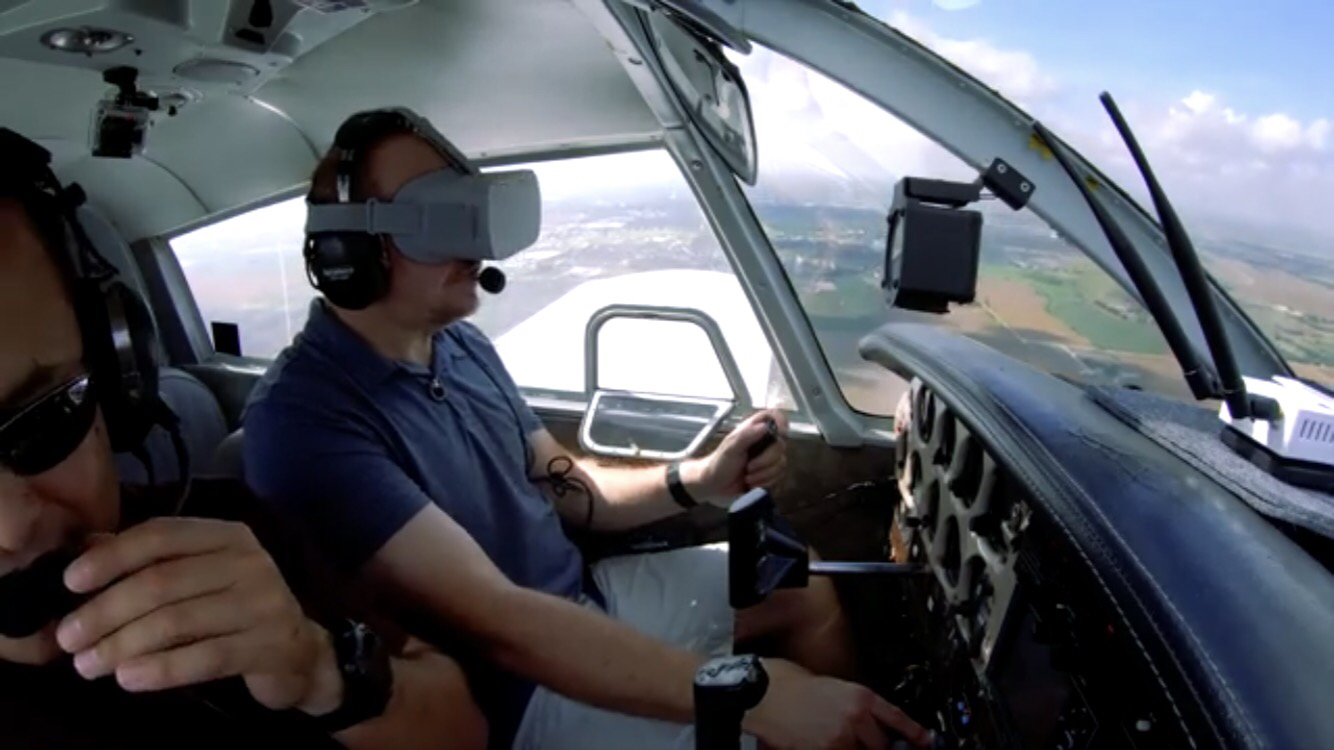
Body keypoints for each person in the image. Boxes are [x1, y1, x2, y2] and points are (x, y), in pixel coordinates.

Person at [243, 107, 931, 749]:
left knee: (800, 583)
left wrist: (697, 480)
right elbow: (500, 623)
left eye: (470, 212)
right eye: (436, 218)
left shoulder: (461, 347)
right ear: (348, 254)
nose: (474, 243)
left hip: (582, 600)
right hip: (517, 691)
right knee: (766, 730)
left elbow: (570, 491)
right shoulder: (305, 423)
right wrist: (760, 701)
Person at [0, 126, 487, 749]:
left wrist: (319, 668)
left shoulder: (227, 531)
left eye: (46, 417)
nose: (12, 529)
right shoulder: (306, 415)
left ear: (119, 378)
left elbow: (461, 730)